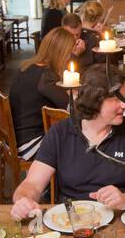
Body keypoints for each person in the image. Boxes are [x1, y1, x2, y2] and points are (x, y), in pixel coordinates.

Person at [11, 65, 125, 217]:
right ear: (93, 100)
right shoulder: (60, 132)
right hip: (70, 220)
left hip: (120, 217)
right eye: (116, 99)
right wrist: (23, 200)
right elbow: (32, 183)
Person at [7, 27, 76, 160]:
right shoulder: (46, 76)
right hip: (29, 143)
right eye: (68, 53)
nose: (69, 57)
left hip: (14, 138)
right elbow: (70, 107)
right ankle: (61, 179)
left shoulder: (28, 66)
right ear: (60, 53)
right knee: (79, 141)